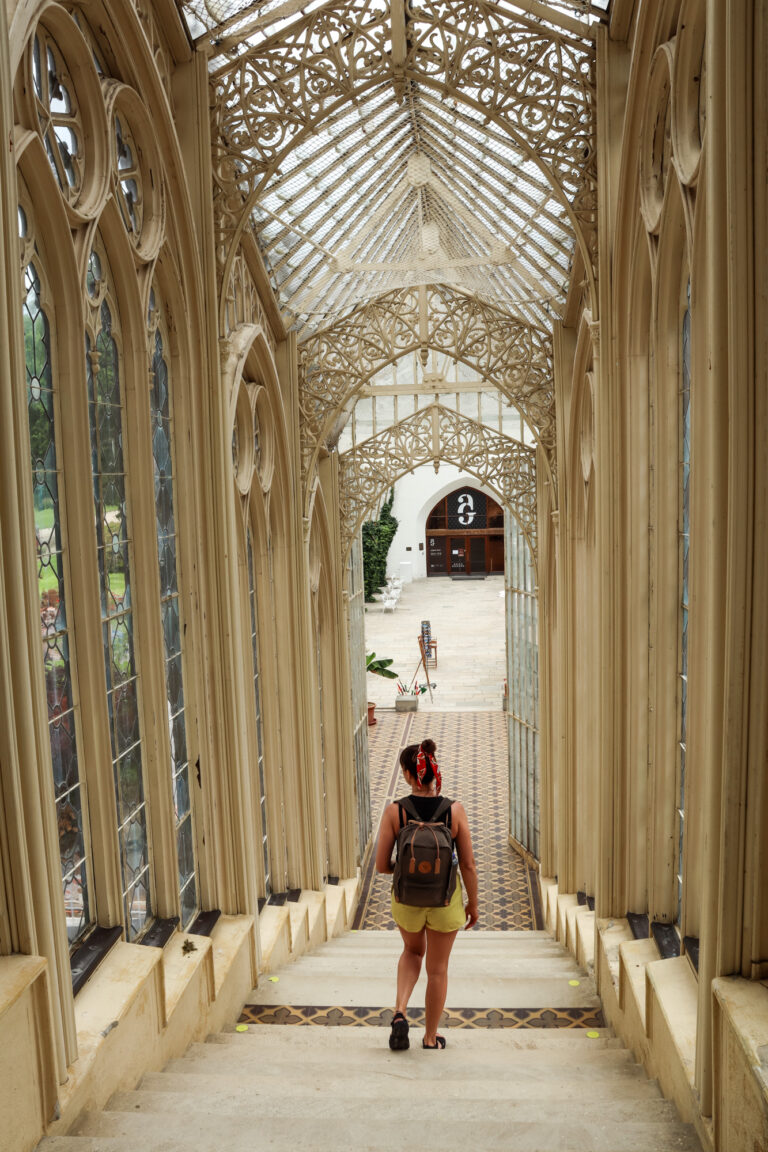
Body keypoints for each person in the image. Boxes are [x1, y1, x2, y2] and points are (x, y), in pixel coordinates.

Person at [375, 738, 479, 1050]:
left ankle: (399, 1011)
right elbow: (470, 866)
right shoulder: (454, 811)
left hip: (407, 900)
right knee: (438, 968)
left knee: (412, 952)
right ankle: (431, 1037)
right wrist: (473, 903)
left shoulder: (396, 812)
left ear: (408, 775)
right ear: (436, 772)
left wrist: (407, 870)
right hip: (446, 901)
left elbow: (382, 865)